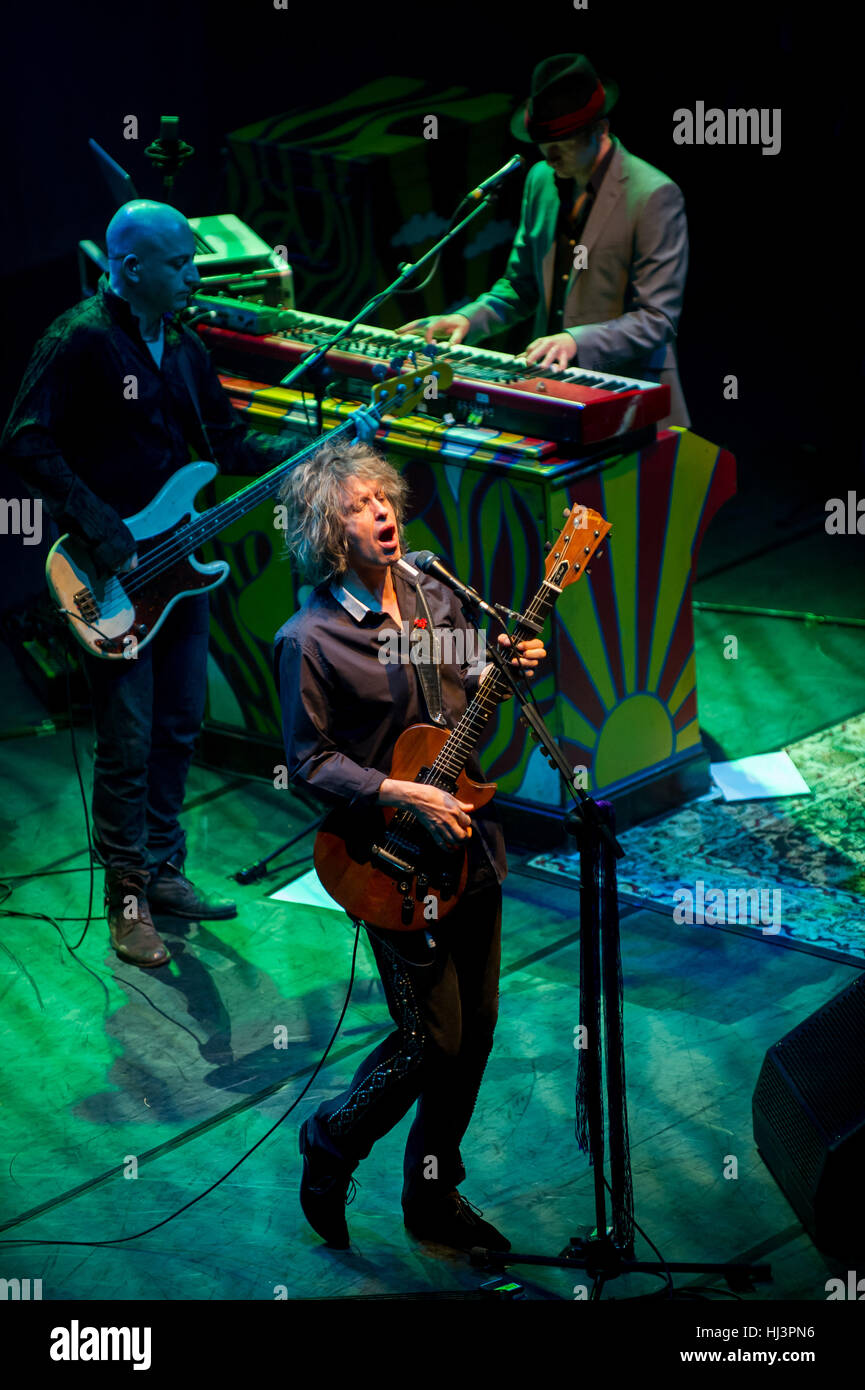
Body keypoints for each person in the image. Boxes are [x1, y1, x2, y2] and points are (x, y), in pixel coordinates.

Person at [1, 200, 316, 968]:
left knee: (178, 725)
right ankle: (126, 900)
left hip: (180, 571)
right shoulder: (80, 340)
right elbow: (25, 439)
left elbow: (227, 444)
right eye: (179, 264)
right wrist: (103, 529)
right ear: (131, 267)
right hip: (109, 573)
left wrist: (307, 446)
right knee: (128, 740)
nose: (194, 276)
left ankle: (164, 870)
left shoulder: (182, 346)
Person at [273, 439, 546, 1251]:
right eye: (357, 507)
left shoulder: (434, 594)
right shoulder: (310, 640)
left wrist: (507, 670)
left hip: (466, 840)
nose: (380, 513)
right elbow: (307, 761)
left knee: (478, 1030)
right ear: (328, 532)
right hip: (387, 861)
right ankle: (333, 1138)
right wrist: (399, 790)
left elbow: (467, 689)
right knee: (433, 1041)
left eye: (382, 498)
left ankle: (431, 1196)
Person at [399, 53, 690, 426]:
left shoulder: (653, 195)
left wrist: (575, 341)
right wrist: (467, 319)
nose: (549, 155)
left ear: (600, 130)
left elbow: (657, 319)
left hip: (634, 401)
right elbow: (520, 287)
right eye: (543, 142)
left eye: (562, 143)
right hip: (555, 392)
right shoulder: (541, 181)